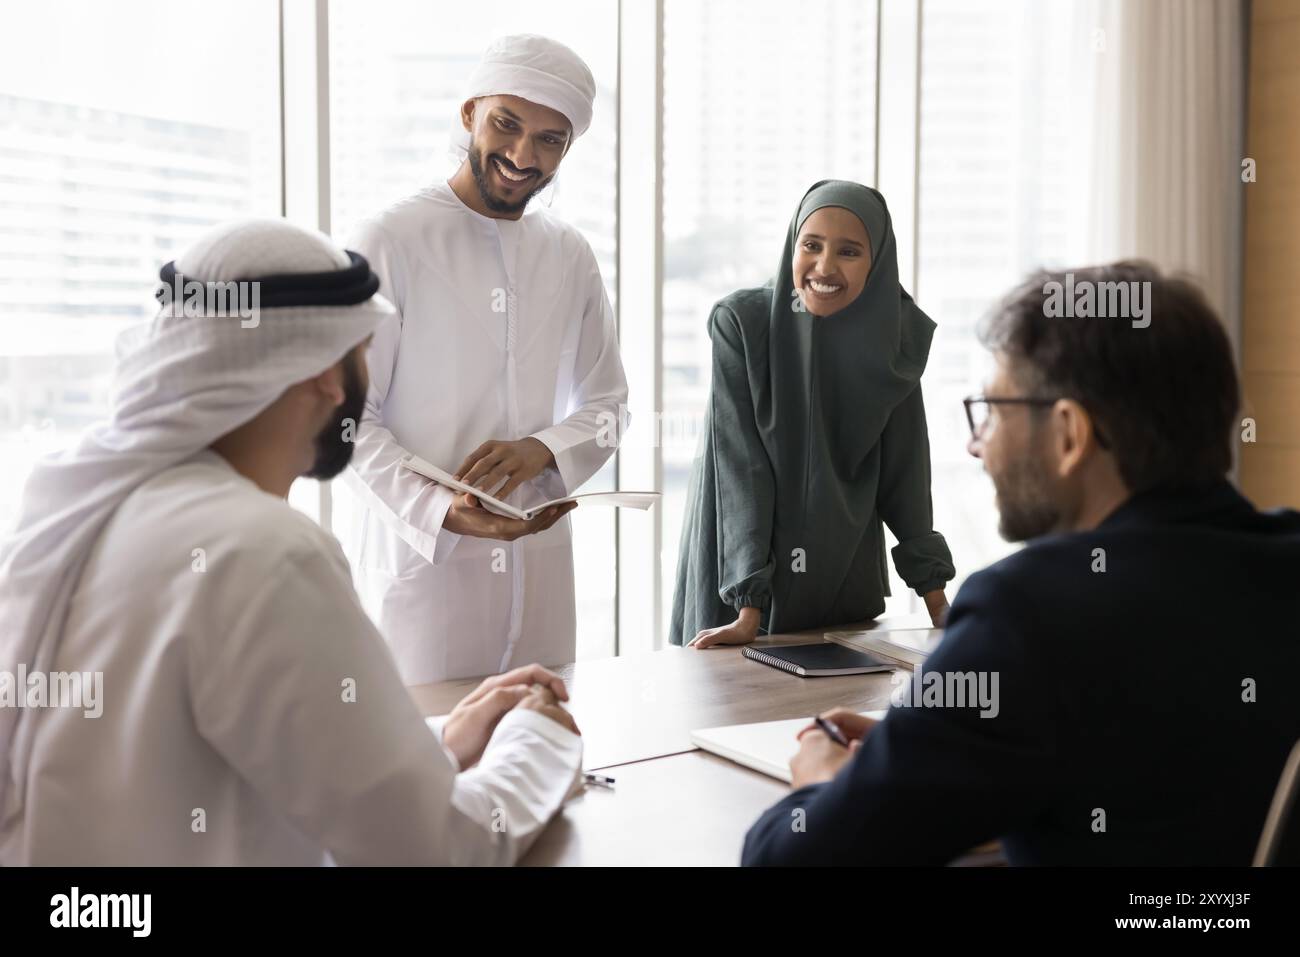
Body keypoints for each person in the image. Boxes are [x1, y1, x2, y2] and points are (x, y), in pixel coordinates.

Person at [0, 219, 583, 865]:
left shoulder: (77, 508)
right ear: (328, 377)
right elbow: (433, 848)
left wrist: (437, 746)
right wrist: (536, 739)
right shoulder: (262, 551)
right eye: (364, 351)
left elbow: (188, 776)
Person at [742, 262, 1300, 866]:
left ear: (1069, 434)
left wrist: (824, 778)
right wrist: (930, 749)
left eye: (994, 410)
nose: (976, 444)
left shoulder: (1031, 614)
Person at [344, 34, 627, 684]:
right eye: (507, 123)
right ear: (470, 113)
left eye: (550, 139)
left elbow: (608, 405)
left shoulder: (570, 254)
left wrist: (544, 450)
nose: (523, 155)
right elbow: (348, 422)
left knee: (539, 747)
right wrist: (441, 510)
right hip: (424, 578)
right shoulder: (389, 238)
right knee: (419, 771)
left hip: (540, 576)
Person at [671, 180, 954, 649]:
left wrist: (938, 600)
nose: (824, 267)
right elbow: (743, 470)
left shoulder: (896, 336)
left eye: (848, 251)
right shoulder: (743, 323)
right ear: (792, 245)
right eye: (812, 245)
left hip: (841, 580)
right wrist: (748, 606)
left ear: (877, 261)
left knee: (841, 717)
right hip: (737, 576)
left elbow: (906, 472)